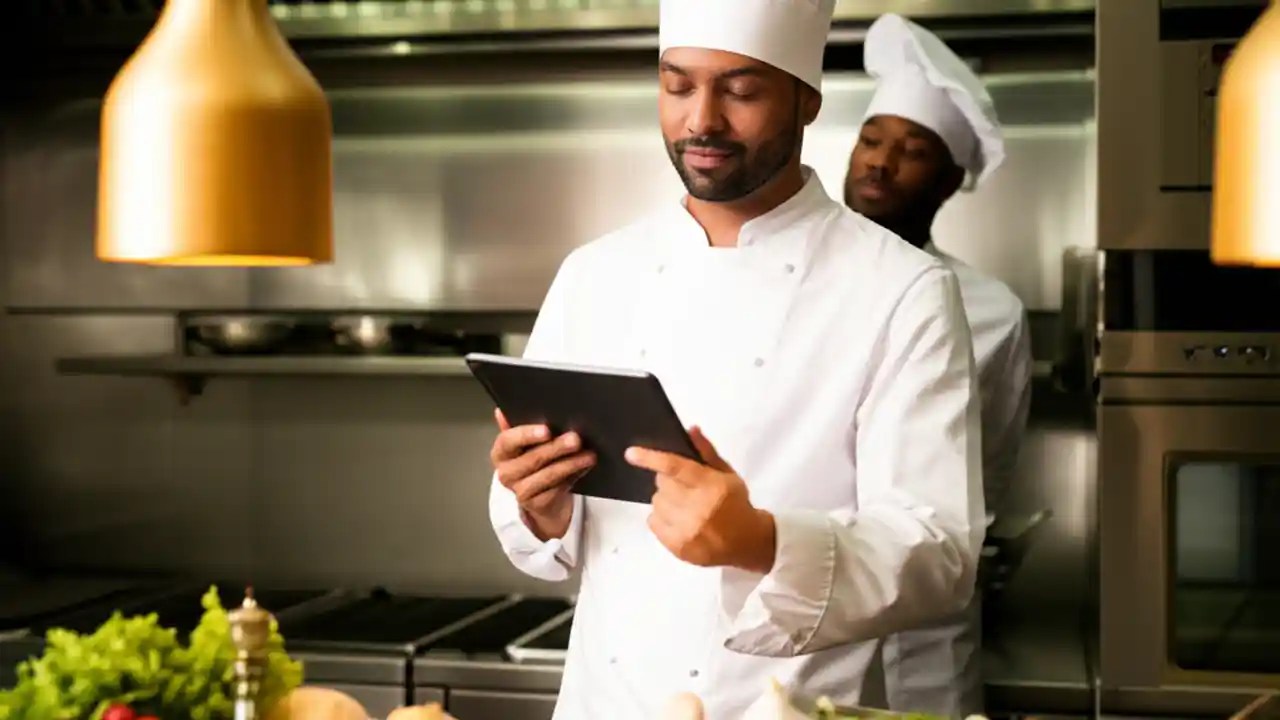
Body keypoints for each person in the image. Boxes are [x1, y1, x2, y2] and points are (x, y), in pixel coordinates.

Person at [486, 1, 987, 718]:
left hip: (785, 707)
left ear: (807, 100)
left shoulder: (902, 290)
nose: (702, 120)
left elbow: (940, 554)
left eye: (742, 91)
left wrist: (764, 542)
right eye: (677, 85)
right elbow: (543, 532)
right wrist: (539, 503)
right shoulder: (594, 273)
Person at [843, 14, 1035, 718]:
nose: (880, 163)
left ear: (950, 179)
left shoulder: (992, 311)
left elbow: (991, 473)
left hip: (926, 638)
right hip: (803, 619)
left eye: (913, 151)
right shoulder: (784, 285)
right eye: (871, 140)